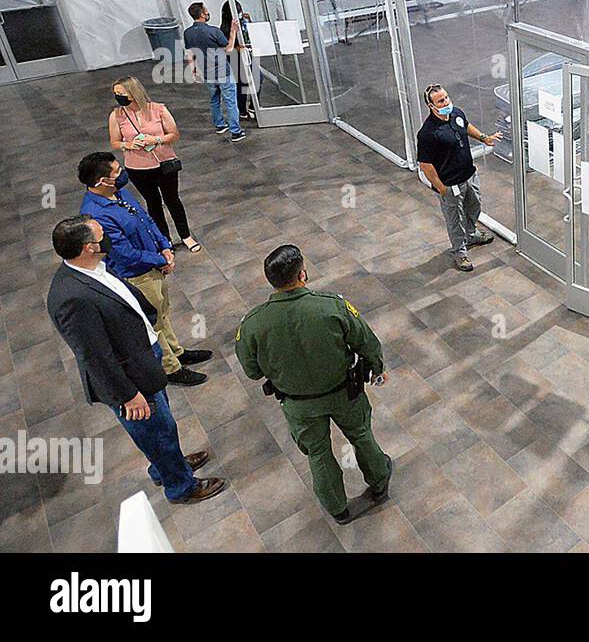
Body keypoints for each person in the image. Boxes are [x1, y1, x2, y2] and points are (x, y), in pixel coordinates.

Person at [46, 215, 226, 505]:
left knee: (158, 429)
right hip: (129, 380)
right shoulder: (71, 298)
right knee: (158, 431)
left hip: (143, 359)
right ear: (88, 248)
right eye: (101, 235)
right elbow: (95, 356)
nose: (108, 238)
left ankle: (166, 466)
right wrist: (128, 396)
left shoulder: (93, 268)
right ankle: (181, 487)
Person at [235, 245, 392, 525]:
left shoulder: (252, 324)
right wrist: (377, 369)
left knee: (318, 453)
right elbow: (365, 341)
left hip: (298, 405)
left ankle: (338, 508)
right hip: (345, 393)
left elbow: (252, 371)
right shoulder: (331, 305)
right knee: (361, 435)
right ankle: (379, 484)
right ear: (302, 274)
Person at [78, 152, 211, 385]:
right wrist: (160, 259)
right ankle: (171, 369)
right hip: (137, 275)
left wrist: (165, 247)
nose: (122, 175)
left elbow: (146, 219)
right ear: (101, 181)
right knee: (154, 323)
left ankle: (177, 352)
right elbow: (124, 254)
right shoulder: (97, 215)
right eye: (117, 172)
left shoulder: (120, 193)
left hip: (154, 264)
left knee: (163, 313)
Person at [108, 76, 200, 252]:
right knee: (153, 203)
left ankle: (186, 235)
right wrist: (128, 144)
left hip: (164, 163)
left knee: (173, 200)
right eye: (116, 94)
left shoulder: (158, 109)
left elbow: (174, 134)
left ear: (133, 92)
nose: (118, 97)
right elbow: (114, 141)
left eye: (121, 93)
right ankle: (165, 240)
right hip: (137, 168)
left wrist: (156, 139)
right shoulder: (116, 115)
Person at [416, 83, 502, 272]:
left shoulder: (456, 113)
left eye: (446, 97)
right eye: (440, 101)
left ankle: (471, 234)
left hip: (469, 175)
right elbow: (425, 165)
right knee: (455, 220)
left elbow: (466, 126)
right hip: (450, 184)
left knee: (475, 206)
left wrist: (484, 138)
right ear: (431, 106)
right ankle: (460, 253)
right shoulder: (428, 134)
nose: (446, 102)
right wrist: (441, 187)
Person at [182, 1, 246, 143]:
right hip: (223, 71)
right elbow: (228, 48)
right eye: (206, 11)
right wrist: (233, 31)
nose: (208, 13)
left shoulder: (188, 33)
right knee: (230, 101)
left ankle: (220, 125)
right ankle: (236, 132)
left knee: (214, 100)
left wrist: (193, 70)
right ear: (202, 14)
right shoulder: (213, 31)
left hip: (207, 72)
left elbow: (190, 52)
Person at [220, 0, 255, 121]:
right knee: (242, 85)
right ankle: (242, 110)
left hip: (247, 57)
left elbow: (250, 34)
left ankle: (253, 106)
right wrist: (237, 47)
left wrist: (248, 21)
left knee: (257, 79)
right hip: (235, 59)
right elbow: (227, 48)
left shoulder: (241, 23)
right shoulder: (224, 29)